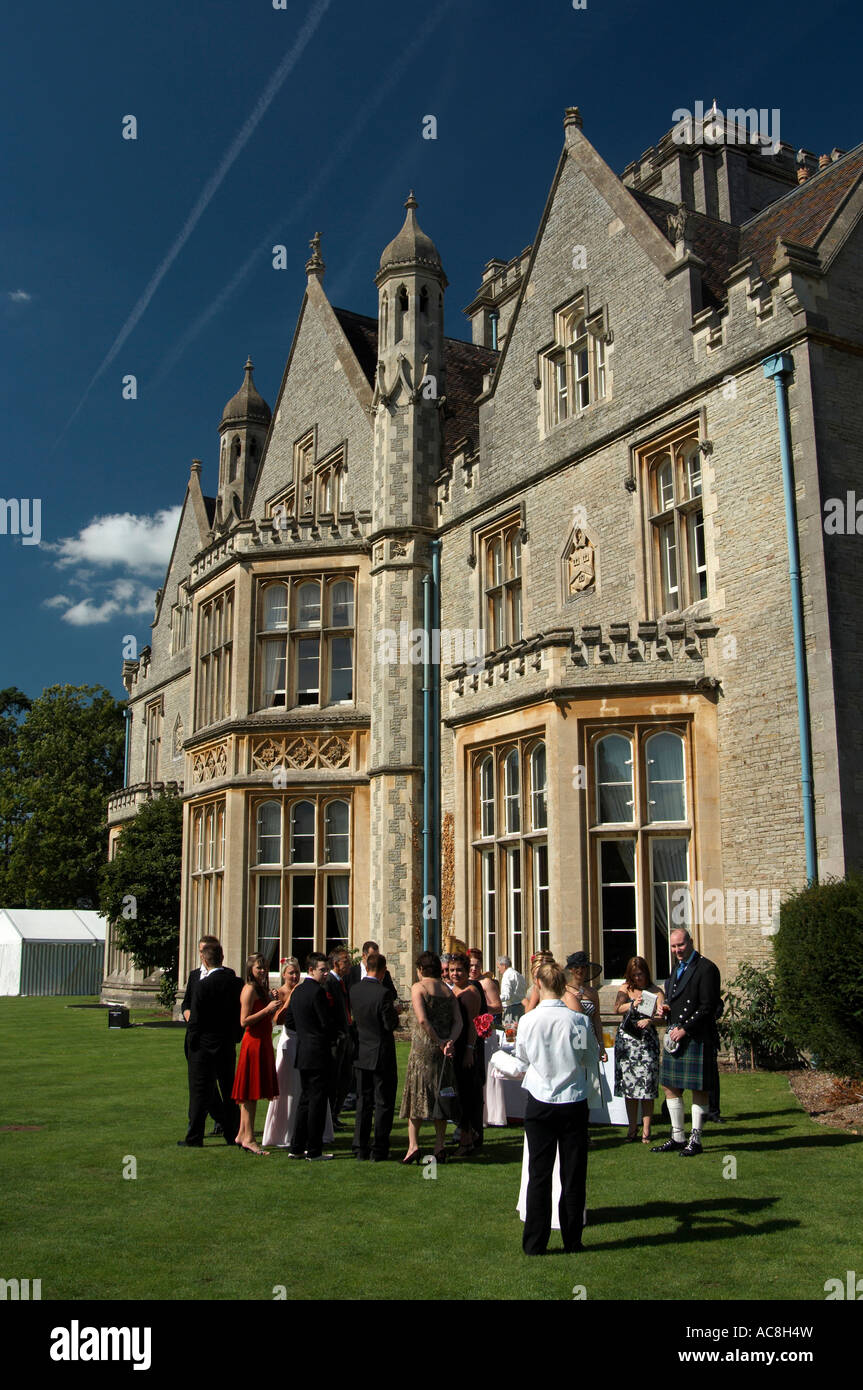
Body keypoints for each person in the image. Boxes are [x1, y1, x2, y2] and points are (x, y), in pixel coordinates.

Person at [512, 960, 600, 1255]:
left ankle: (535, 1243)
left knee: (540, 1173)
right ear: (563, 985)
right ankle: (572, 1240)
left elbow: (522, 1057)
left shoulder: (529, 1021)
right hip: (572, 1101)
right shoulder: (577, 1021)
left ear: (538, 984)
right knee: (573, 1174)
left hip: (541, 1100)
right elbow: (589, 1058)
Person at [652, 927, 721, 1157]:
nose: (677, 950)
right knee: (669, 1086)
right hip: (676, 1035)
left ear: (690, 942)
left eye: (680, 945)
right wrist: (666, 1008)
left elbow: (708, 1007)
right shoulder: (677, 969)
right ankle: (677, 1136)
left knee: (698, 1089)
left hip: (696, 1036)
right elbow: (678, 1000)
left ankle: (696, 1139)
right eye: (673, 946)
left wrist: (685, 1029)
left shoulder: (706, 968)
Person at [399, 950, 462, 1164]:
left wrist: (438, 1041)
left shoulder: (419, 987)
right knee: (441, 1094)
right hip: (443, 1049)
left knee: (418, 1094)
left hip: (424, 1049)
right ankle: (439, 1145)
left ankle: (413, 1146)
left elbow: (423, 1020)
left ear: (420, 969)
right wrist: (449, 1041)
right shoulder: (447, 990)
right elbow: (459, 1022)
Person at [178, 940, 242, 1148]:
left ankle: (195, 1137)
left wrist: (192, 1042)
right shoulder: (236, 983)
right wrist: (235, 1036)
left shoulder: (203, 985)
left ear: (204, 959)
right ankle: (233, 1133)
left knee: (199, 1092)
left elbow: (195, 1020)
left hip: (203, 1046)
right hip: (226, 1044)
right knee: (229, 1089)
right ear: (222, 958)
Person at [284, 953, 338, 1161]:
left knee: (305, 1100)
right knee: (315, 1101)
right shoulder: (318, 993)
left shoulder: (297, 992)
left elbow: (289, 1022)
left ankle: (297, 1146)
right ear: (311, 970)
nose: (325, 974)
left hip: (304, 1050)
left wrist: (306, 1032)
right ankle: (313, 1150)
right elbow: (326, 1024)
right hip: (318, 1052)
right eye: (322, 970)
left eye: (326, 970)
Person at [350, 951, 399, 1160]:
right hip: (380, 1054)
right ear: (382, 971)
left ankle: (360, 1147)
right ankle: (379, 1148)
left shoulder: (354, 990)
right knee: (383, 1102)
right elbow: (389, 1024)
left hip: (361, 1052)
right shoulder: (383, 993)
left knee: (363, 1101)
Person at [232, 954, 281, 1155]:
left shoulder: (260, 989)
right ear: (250, 969)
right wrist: (267, 1009)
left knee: (249, 1093)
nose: (262, 970)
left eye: (264, 967)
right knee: (249, 1093)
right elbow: (243, 1021)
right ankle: (250, 1139)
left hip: (263, 1041)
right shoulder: (249, 989)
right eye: (259, 967)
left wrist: (272, 1002)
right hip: (253, 1044)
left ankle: (242, 1134)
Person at [613, 956, 665, 1143]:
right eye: (634, 975)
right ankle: (631, 1128)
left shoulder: (657, 991)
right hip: (627, 1042)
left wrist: (651, 1020)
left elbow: (663, 1017)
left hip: (646, 1042)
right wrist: (633, 1003)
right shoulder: (626, 989)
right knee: (629, 1087)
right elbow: (617, 1008)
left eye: (641, 974)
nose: (638, 978)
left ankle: (647, 1130)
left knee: (647, 1087)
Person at [449, 952, 486, 1156]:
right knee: (458, 1094)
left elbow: (473, 1025)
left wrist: (470, 1051)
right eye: (452, 970)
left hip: (466, 1046)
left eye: (459, 970)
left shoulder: (471, 992)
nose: (455, 974)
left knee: (467, 1095)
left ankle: (467, 1139)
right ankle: (467, 1135)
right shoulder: (454, 990)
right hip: (455, 1045)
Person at [324, 948, 354, 1127]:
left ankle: (334, 1115)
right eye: (345, 961)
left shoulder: (342, 982)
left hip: (346, 1037)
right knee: (334, 1079)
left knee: (345, 1078)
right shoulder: (329, 983)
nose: (349, 963)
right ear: (336, 964)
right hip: (336, 1040)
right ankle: (329, 1117)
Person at [563, 952, 606, 1060]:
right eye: (576, 967)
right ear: (571, 970)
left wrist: (601, 1044)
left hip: (590, 1037)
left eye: (583, 967)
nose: (580, 970)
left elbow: (596, 1019)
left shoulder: (592, 992)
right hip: (572, 1036)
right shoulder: (564, 991)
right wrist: (573, 1001)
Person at [469, 949, 503, 1024]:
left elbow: (498, 1007)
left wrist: (481, 1008)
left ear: (481, 966)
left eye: (477, 966)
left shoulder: (486, 982)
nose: (474, 969)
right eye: (471, 965)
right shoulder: (464, 981)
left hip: (484, 1023)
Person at [497, 955, 528, 1028]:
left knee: (510, 1034)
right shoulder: (518, 974)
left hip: (511, 1010)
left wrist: (495, 999)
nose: (498, 970)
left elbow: (507, 995)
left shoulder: (507, 975)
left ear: (504, 966)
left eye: (498, 967)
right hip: (521, 1008)